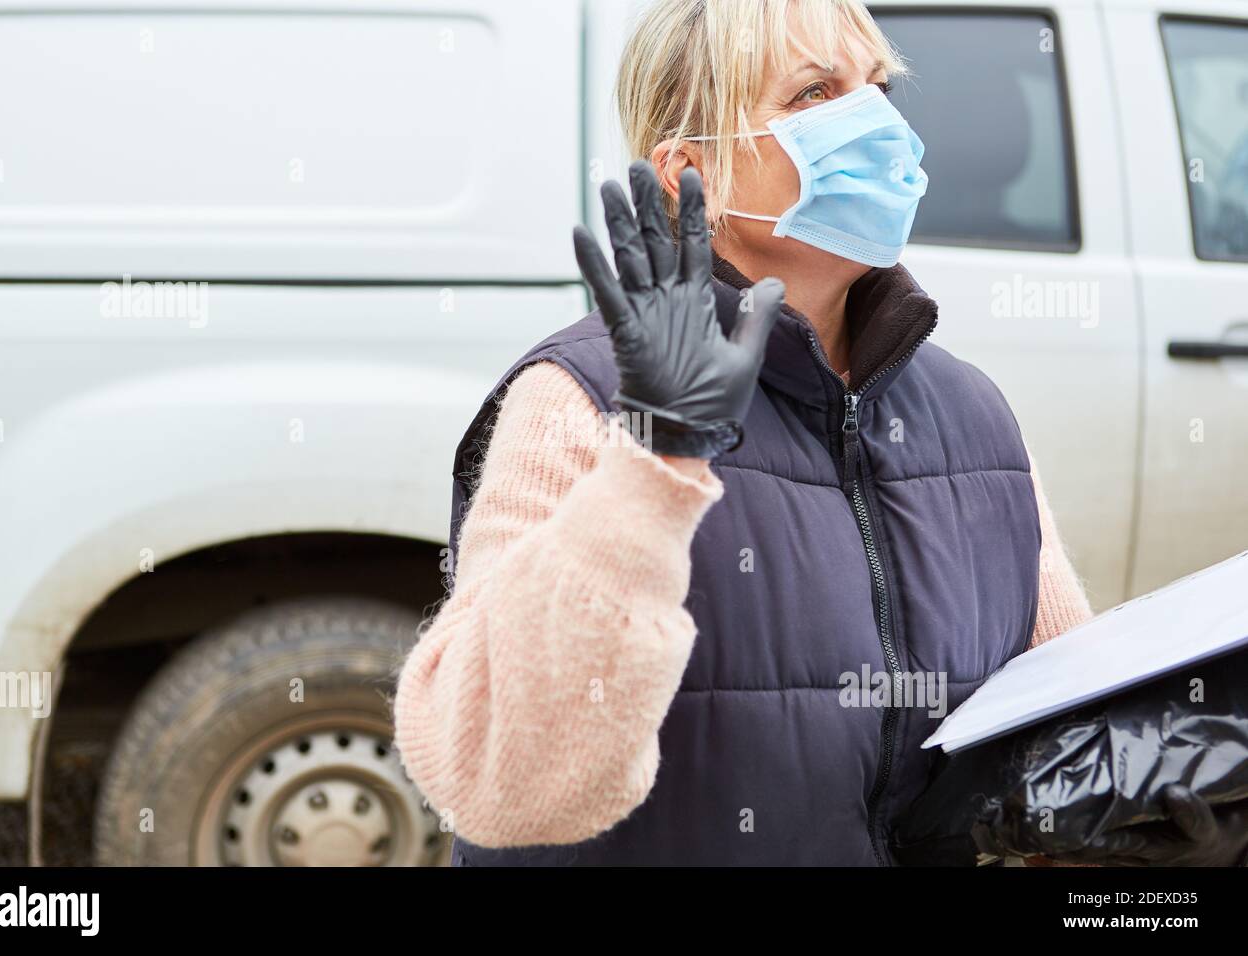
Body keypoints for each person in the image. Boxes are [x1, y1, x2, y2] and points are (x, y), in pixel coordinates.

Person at [394, 0, 1095, 865]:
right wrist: (653, 467)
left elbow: (1064, 732)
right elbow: (503, 788)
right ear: (693, 173)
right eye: (813, 95)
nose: (871, 120)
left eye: (875, 87)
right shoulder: (577, 400)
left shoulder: (973, 415)